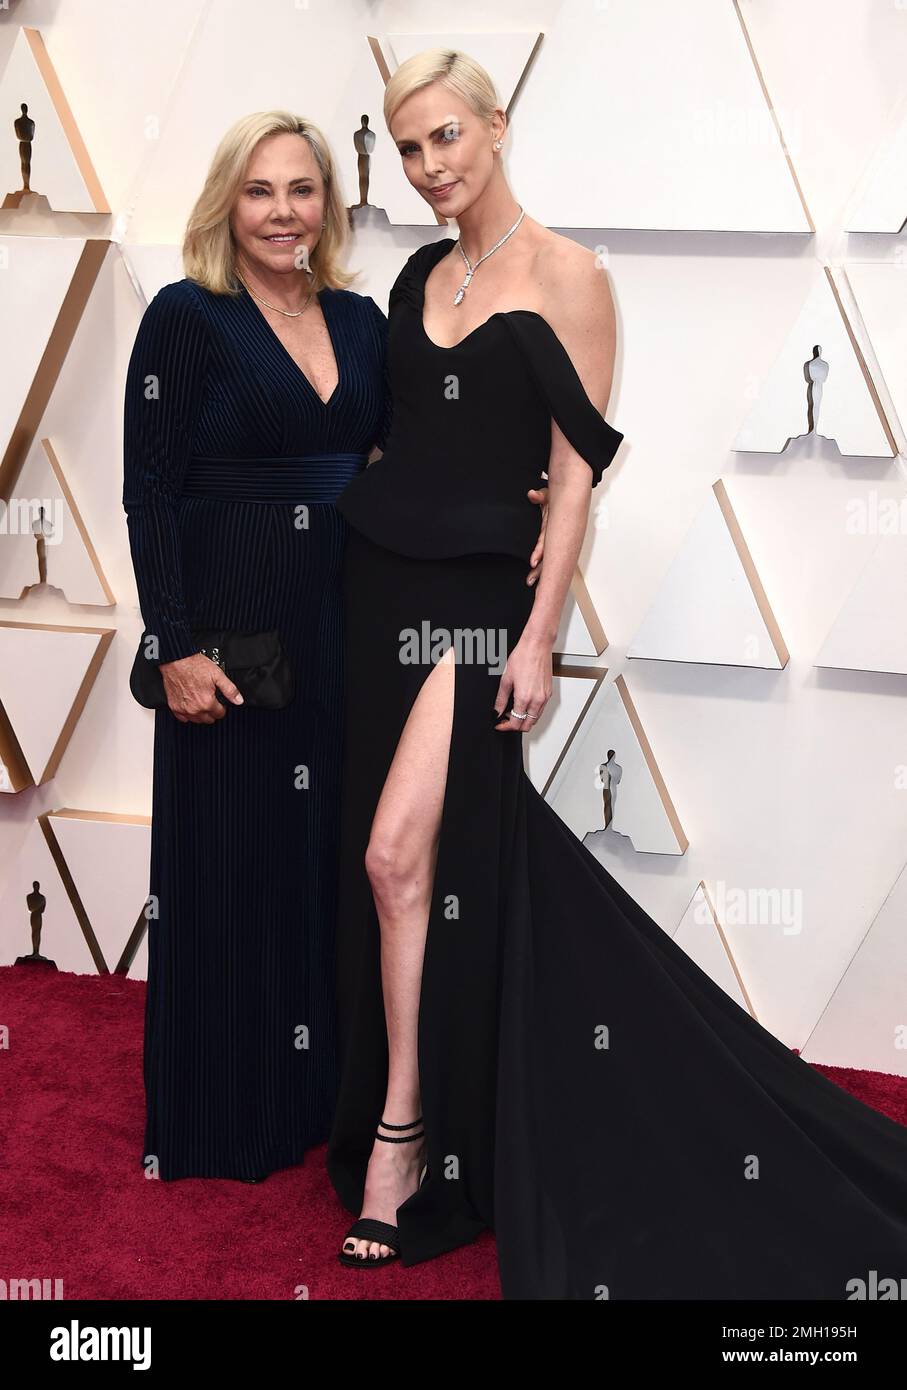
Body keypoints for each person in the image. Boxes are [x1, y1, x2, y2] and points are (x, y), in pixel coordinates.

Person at [325, 49, 907, 1297]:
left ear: (495, 124)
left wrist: (537, 632)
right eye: (408, 146)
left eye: (446, 138)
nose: (428, 167)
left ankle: (406, 1132)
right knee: (414, 871)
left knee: (394, 854)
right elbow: (397, 437)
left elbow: (573, 473)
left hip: (480, 604)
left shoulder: (575, 278)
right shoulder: (416, 273)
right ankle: (428, 1101)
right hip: (381, 585)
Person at [122, 111, 389, 1181]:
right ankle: (220, 1115)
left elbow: (408, 459)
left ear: (328, 204)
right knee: (228, 864)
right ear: (226, 204)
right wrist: (173, 643)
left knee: (321, 862)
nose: (284, 213)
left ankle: (318, 1104)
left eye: (303, 190)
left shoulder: (364, 320)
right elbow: (148, 490)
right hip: (228, 633)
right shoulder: (187, 320)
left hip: (341, 623)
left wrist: (525, 496)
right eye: (261, 192)